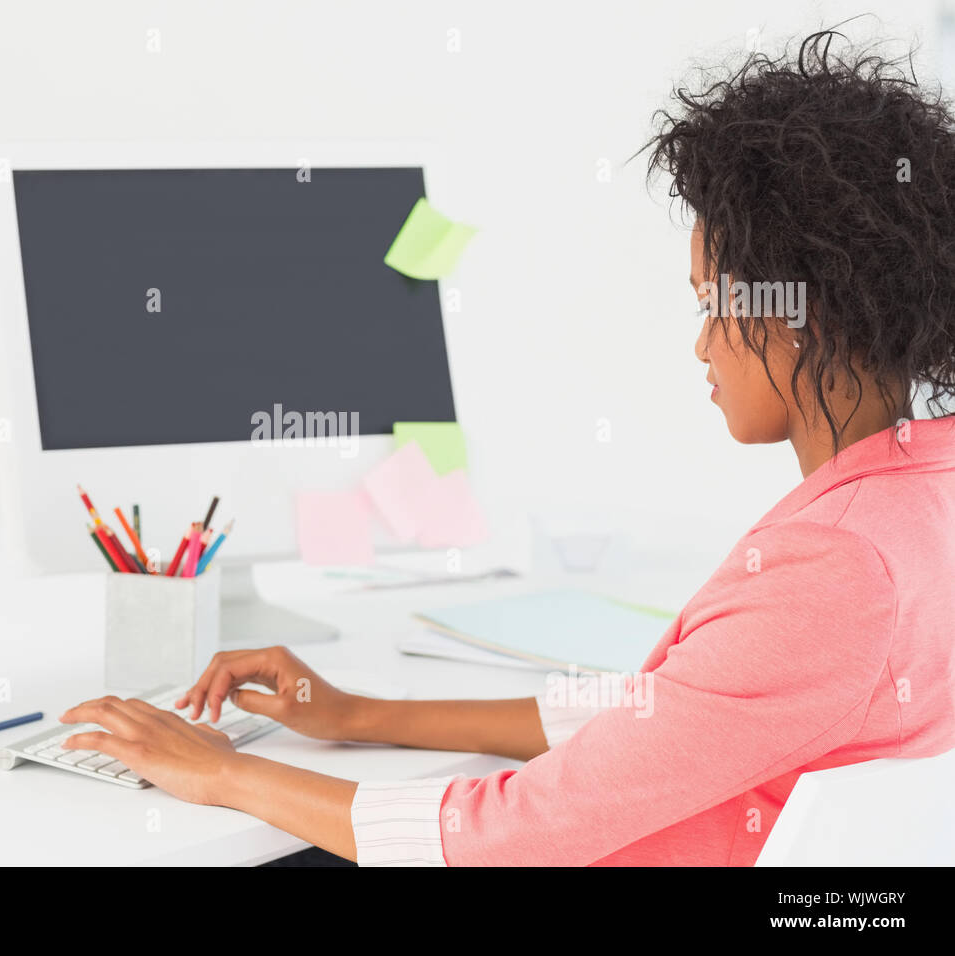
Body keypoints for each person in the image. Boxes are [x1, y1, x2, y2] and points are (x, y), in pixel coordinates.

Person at [58, 30, 955, 865]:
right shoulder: (928, 492)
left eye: (713, 303)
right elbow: (680, 719)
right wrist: (356, 712)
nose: (702, 345)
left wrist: (221, 773)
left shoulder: (830, 572)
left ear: (803, 319)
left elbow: (507, 835)